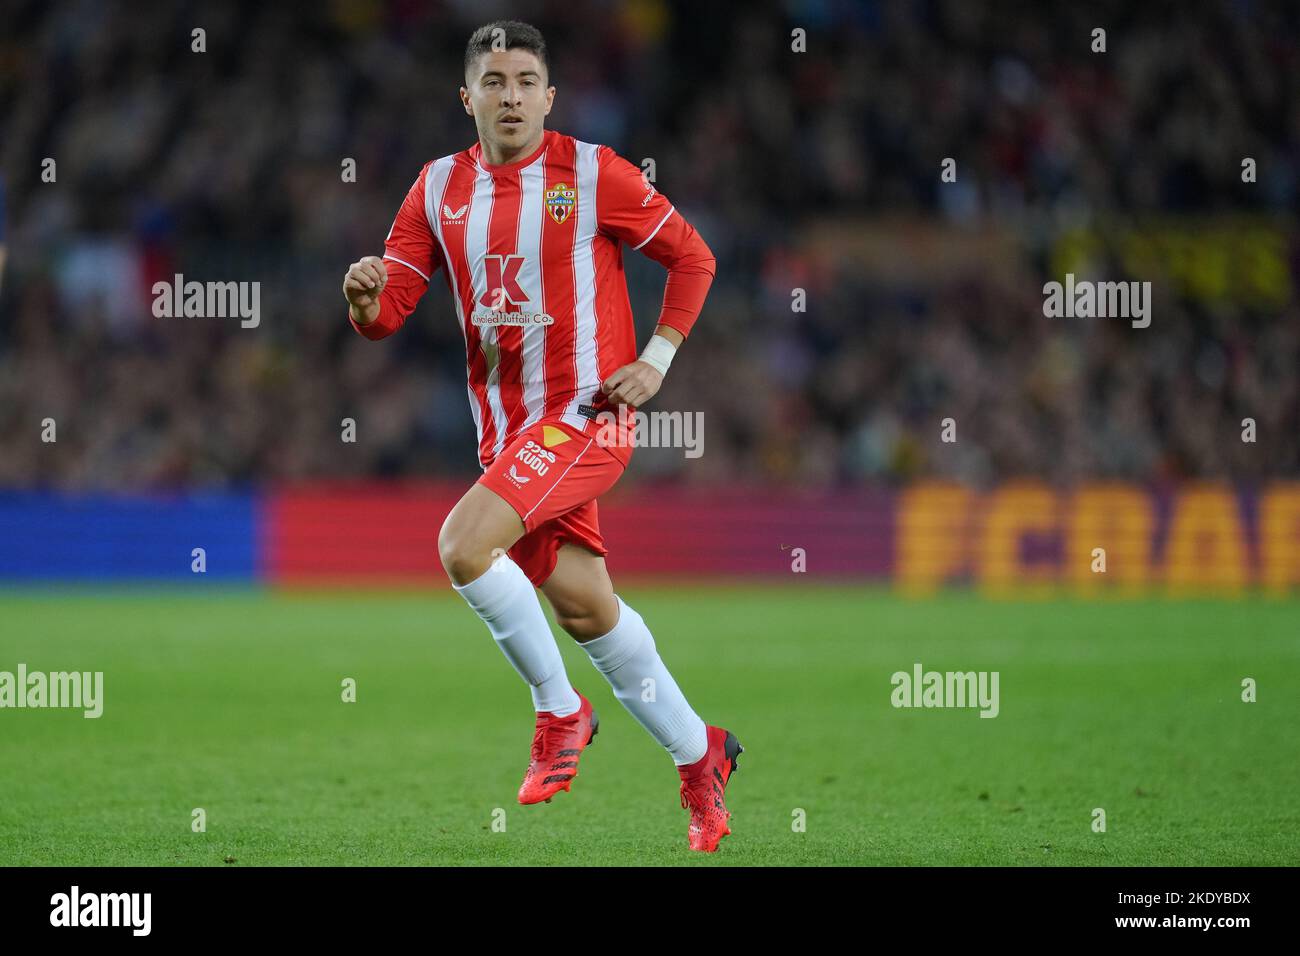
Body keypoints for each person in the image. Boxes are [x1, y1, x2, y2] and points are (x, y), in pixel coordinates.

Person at [342, 20, 742, 851]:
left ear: (549, 96)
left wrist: (658, 361)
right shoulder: (435, 189)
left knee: (461, 545)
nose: (511, 95)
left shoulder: (593, 175)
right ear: (468, 98)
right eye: (494, 81)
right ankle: (701, 752)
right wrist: (362, 297)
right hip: (507, 439)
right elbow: (389, 314)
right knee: (589, 610)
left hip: (588, 418)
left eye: (526, 80)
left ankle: (561, 713)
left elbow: (694, 257)